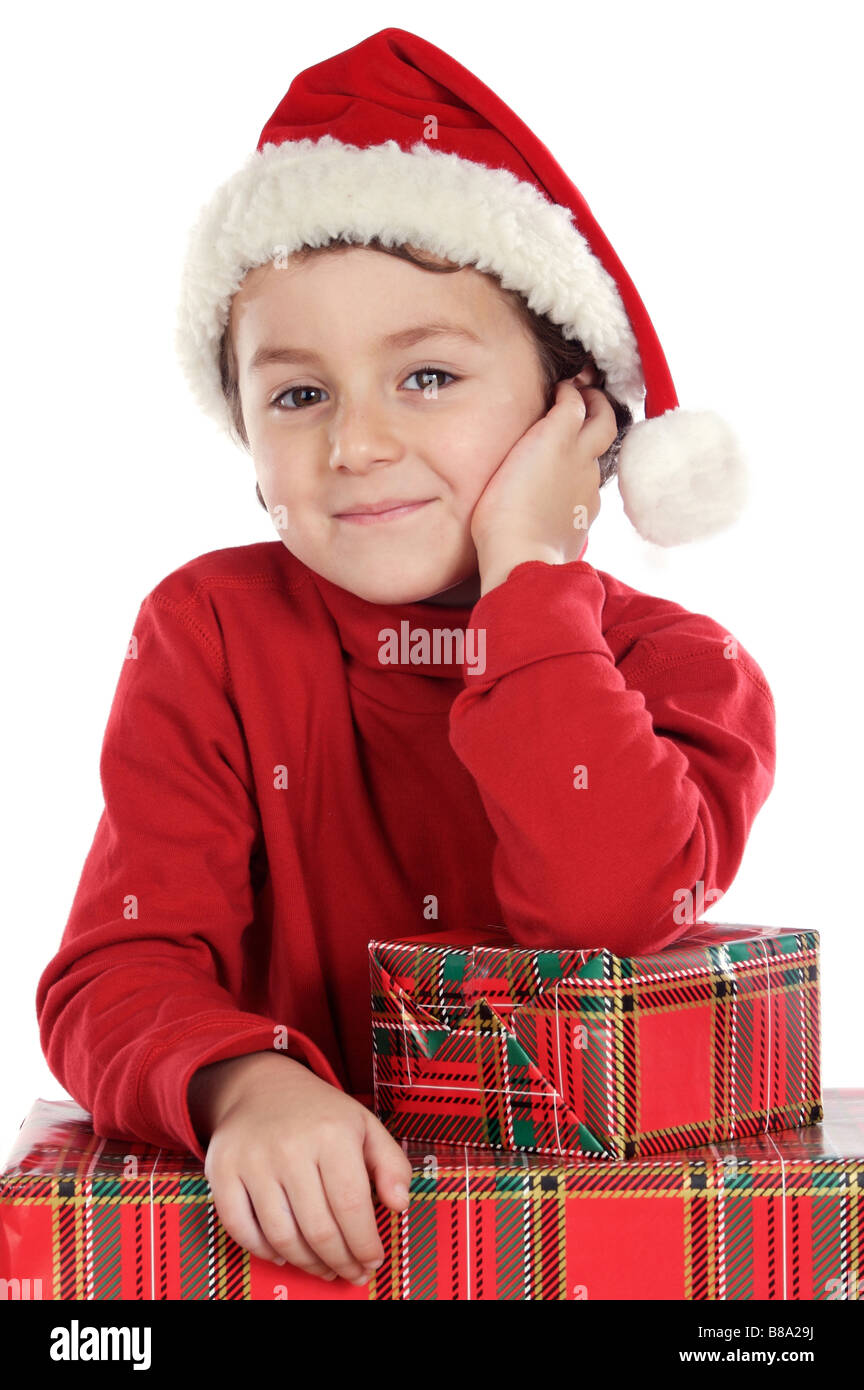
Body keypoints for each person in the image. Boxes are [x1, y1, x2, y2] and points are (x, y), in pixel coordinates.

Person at [35, 28, 775, 1290]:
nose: (357, 444)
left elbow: (599, 915)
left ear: (572, 414)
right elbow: (118, 963)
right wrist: (241, 1083)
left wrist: (533, 578)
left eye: (426, 374)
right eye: (299, 395)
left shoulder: (682, 669)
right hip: (287, 1265)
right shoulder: (207, 630)